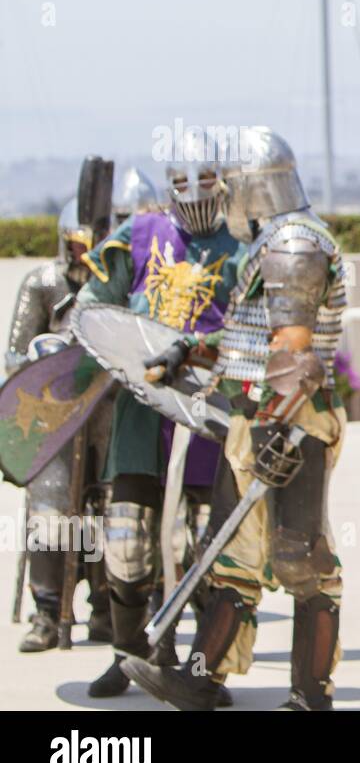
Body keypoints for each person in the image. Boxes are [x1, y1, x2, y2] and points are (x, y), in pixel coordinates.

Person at [122, 127, 349, 711]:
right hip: (254, 420)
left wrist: (277, 429)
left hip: (289, 423)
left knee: (301, 558)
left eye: (233, 186)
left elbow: (294, 354)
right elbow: (251, 333)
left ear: (254, 185)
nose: (226, 197)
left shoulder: (294, 244)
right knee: (229, 556)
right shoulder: (275, 239)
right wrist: (191, 350)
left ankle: (309, 695)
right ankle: (202, 680)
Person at [76, 140, 242, 698]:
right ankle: (129, 658)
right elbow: (98, 304)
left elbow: (252, 325)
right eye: (182, 181)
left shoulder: (244, 242)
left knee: (206, 551)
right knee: (126, 539)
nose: (193, 193)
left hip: (208, 412)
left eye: (205, 179)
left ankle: (202, 668)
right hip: (139, 411)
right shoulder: (141, 234)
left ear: (223, 179)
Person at [4, 177, 115, 652]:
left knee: (113, 512)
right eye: (75, 243)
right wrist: (47, 363)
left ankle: (108, 611)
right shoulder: (42, 284)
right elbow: (15, 356)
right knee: (49, 515)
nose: (80, 253)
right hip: (53, 419)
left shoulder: (113, 283)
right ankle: (48, 612)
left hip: (105, 413)